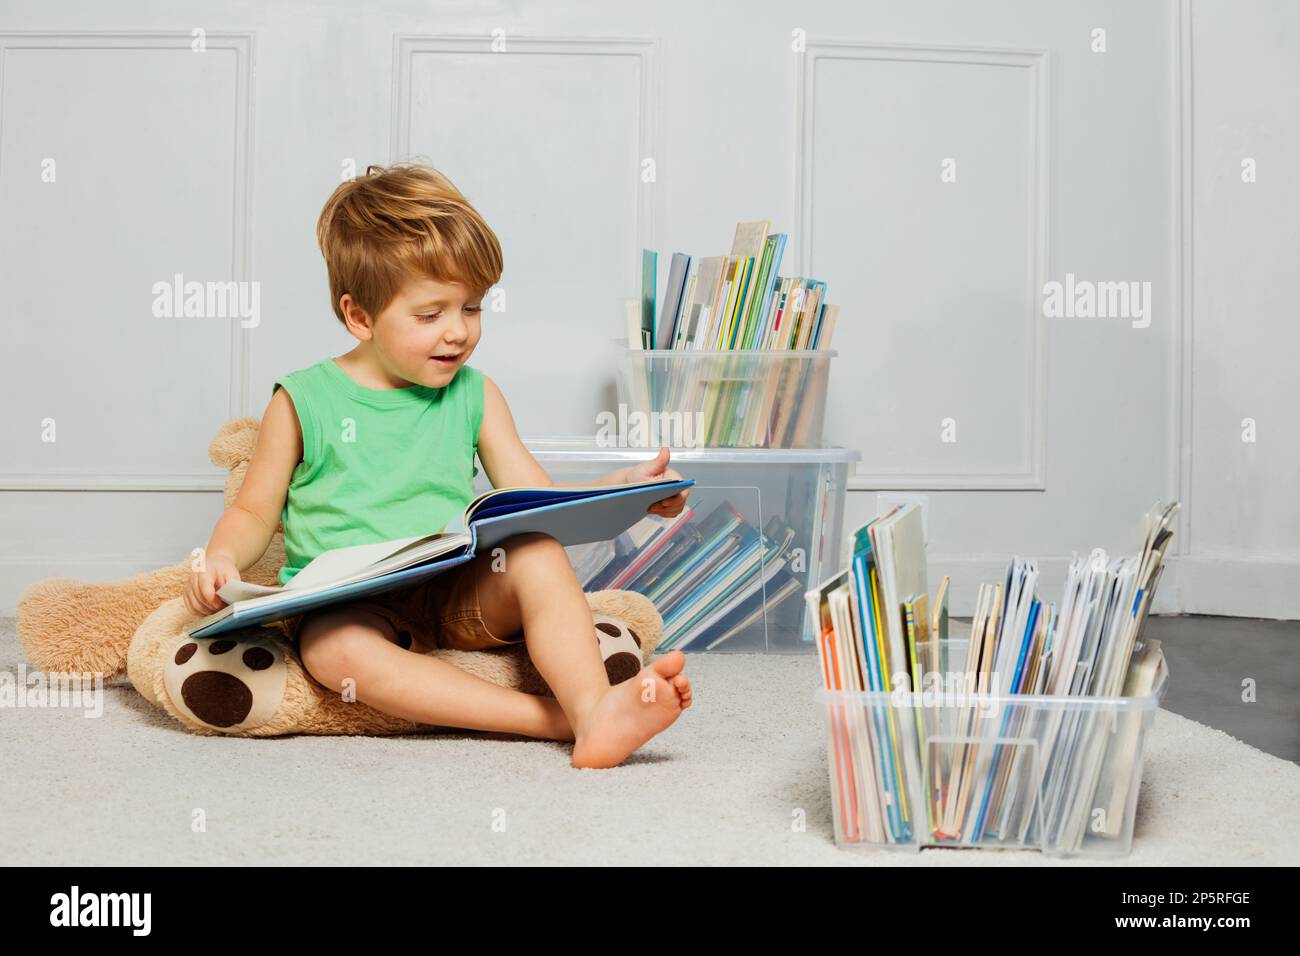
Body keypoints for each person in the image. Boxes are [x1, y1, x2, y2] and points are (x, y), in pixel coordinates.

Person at [184, 163, 692, 768]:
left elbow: (533, 497)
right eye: (430, 315)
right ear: (360, 316)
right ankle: (556, 719)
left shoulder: (475, 394)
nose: (458, 333)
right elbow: (251, 509)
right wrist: (220, 558)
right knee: (334, 653)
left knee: (534, 548)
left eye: (472, 308)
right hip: (349, 606)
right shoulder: (302, 400)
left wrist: (622, 490)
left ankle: (593, 710)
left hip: (454, 591)